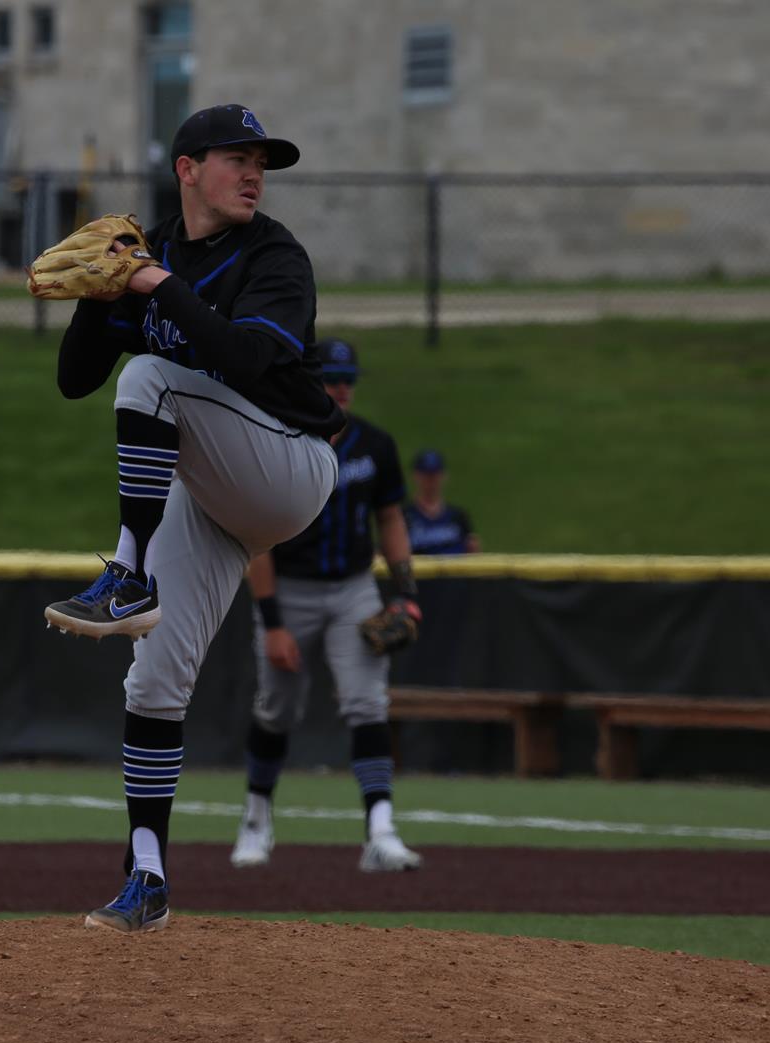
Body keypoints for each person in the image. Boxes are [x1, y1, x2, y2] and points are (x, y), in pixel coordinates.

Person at [42, 104, 344, 933]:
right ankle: (147, 879)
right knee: (151, 680)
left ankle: (127, 575)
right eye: (236, 158)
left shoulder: (275, 256)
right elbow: (74, 380)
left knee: (150, 379)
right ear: (187, 168)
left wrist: (154, 288)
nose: (254, 173)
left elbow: (244, 360)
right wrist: (100, 295)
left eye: (262, 162)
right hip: (216, 497)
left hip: (289, 464)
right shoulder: (150, 254)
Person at [229, 337, 425, 874]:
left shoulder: (374, 445)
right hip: (288, 588)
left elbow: (390, 519)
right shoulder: (279, 437)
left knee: (367, 703)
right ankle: (256, 819)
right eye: (331, 377)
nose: (341, 386)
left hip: (353, 588)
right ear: (312, 380)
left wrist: (405, 593)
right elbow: (258, 536)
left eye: (348, 377)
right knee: (278, 706)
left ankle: (380, 829)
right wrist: (271, 623)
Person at [403, 449, 480, 555]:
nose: (431, 480)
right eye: (426, 475)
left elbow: (472, 552)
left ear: (444, 476)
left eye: (435, 475)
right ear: (416, 476)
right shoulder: (404, 516)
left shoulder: (458, 516)